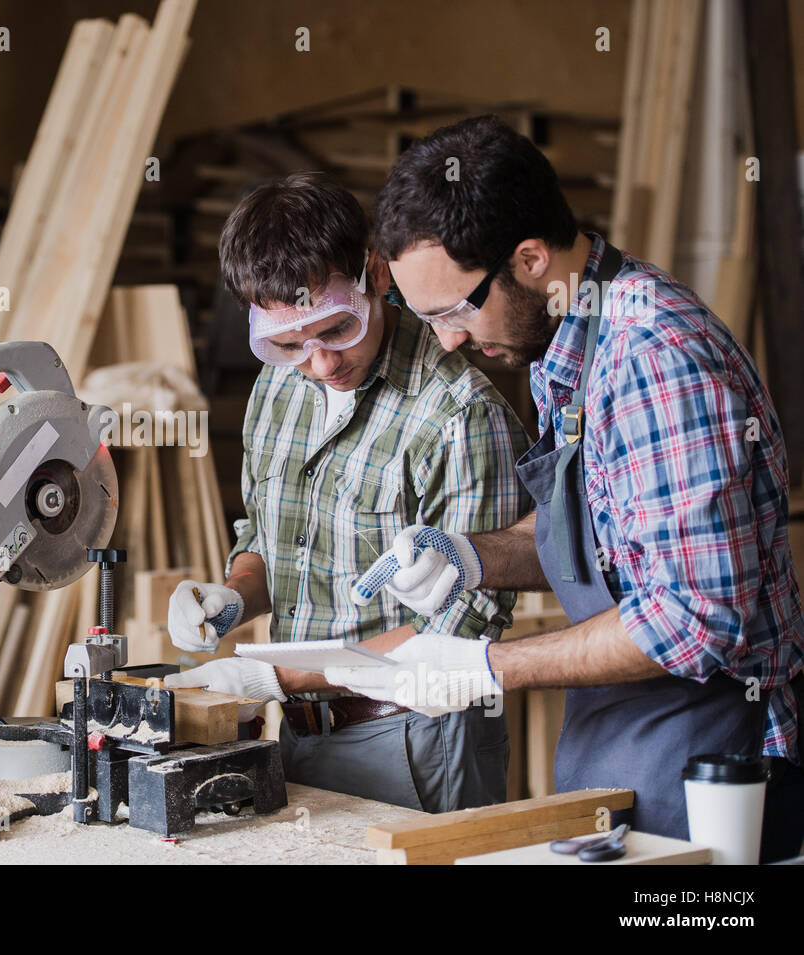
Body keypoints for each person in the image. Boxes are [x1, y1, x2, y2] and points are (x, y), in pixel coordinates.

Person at [336, 115, 804, 861]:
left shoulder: (655, 355)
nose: (452, 339)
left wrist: (489, 666)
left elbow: (696, 617)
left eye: (458, 308)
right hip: (621, 763)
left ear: (529, 258)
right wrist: (467, 554)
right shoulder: (570, 341)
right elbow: (596, 541)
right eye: (426, 318)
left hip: (708, 775)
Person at [165, 172, 532, 812]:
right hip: (298, 735)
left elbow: (453, 640)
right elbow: (266, 541)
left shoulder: (458, 417)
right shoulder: (278, 389)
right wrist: (232, 595)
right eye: (287, 343)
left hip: (413, 736)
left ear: (376, 275)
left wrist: (266, 676)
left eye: (337, 330)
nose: (320, 364)